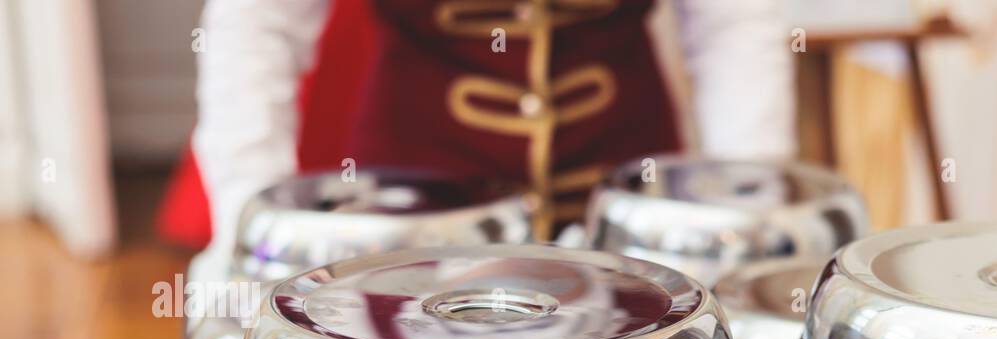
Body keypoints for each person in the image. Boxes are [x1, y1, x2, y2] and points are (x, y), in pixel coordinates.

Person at [185, 0, 795, 275]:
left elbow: (734, 19)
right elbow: (257, 21)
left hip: (629, 201)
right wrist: (246, 222)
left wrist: (744, 219)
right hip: (410, 214)